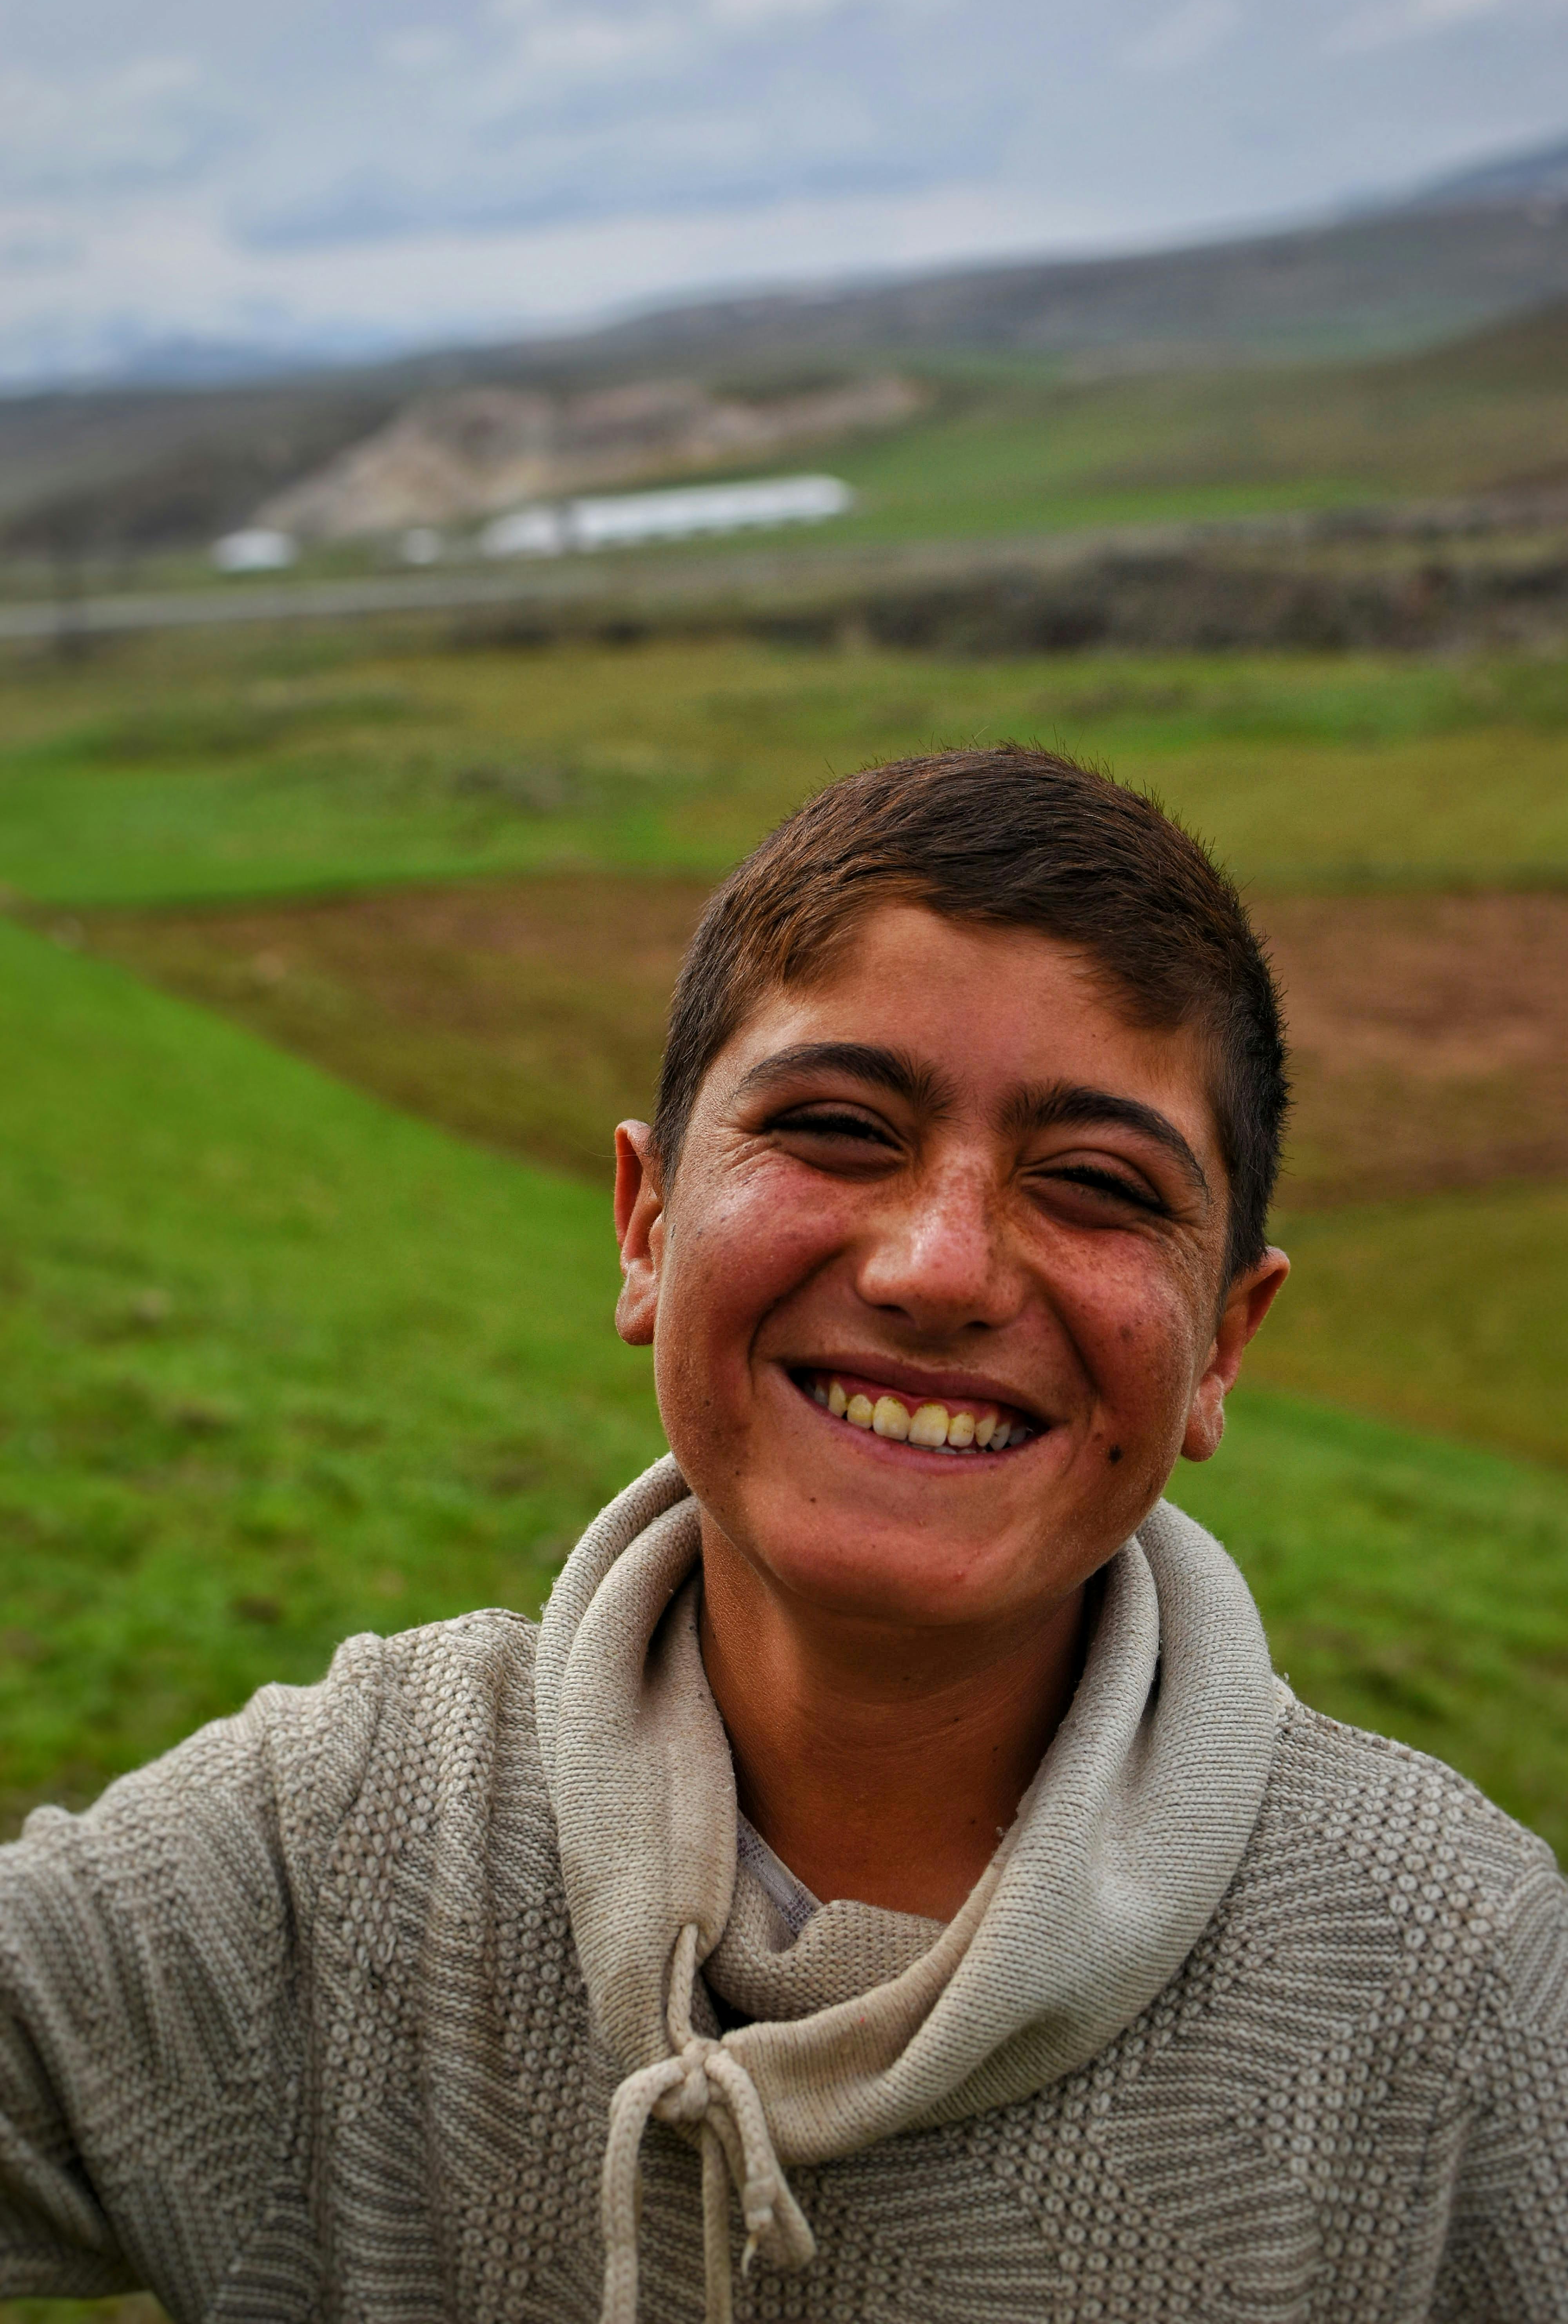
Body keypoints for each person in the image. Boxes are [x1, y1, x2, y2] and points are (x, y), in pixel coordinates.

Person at [1, 746, 1563, 2324]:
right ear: (647, 1224)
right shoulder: (333, 1844)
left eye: (1094, 1183)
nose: (939, 1266)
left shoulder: (1463, 1986)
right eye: (835, 1129)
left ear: (1223, 1342)